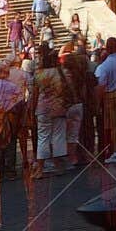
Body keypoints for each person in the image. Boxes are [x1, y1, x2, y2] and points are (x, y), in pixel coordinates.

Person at [33, 43, 68, 174]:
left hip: (42, 107)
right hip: (58, 106)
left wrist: (32, 109)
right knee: (58, 136)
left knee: (43, 137)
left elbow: (35, 93)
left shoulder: (38, 74)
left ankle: (40, 169)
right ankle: (59, 166)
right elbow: (63, 89)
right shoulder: (59, 73)